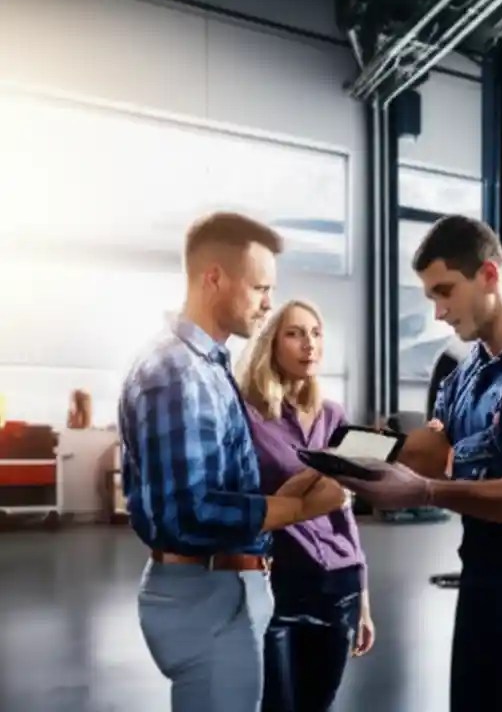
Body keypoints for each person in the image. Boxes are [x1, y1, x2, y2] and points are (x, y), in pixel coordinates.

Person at [330, 215, 502, 712]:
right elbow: (432, 452)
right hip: (482, 593)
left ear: (489, 274)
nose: (438, 313)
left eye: (445, 292)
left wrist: (426, 493)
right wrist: (351, 450)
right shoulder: (461, 379)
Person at [117, 212, 348, 712]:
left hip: (225, 589)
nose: (269, 302)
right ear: (214, 278)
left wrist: (286, 496)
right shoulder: (176, 373)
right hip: (204, 596)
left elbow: (216, 490)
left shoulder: (210, 366)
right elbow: (188, 514)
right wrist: (299, 511)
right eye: (261, 287)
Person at [236, 298, 375, 711]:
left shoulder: (332, 415)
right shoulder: (246, 415)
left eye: (316, 333)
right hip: (279, 584)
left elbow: (342, 510)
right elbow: (252, 502)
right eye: (295, 333)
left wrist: (363, 598)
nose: (309, 344)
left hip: (340, 583)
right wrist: (318, 473)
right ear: (271, 344)